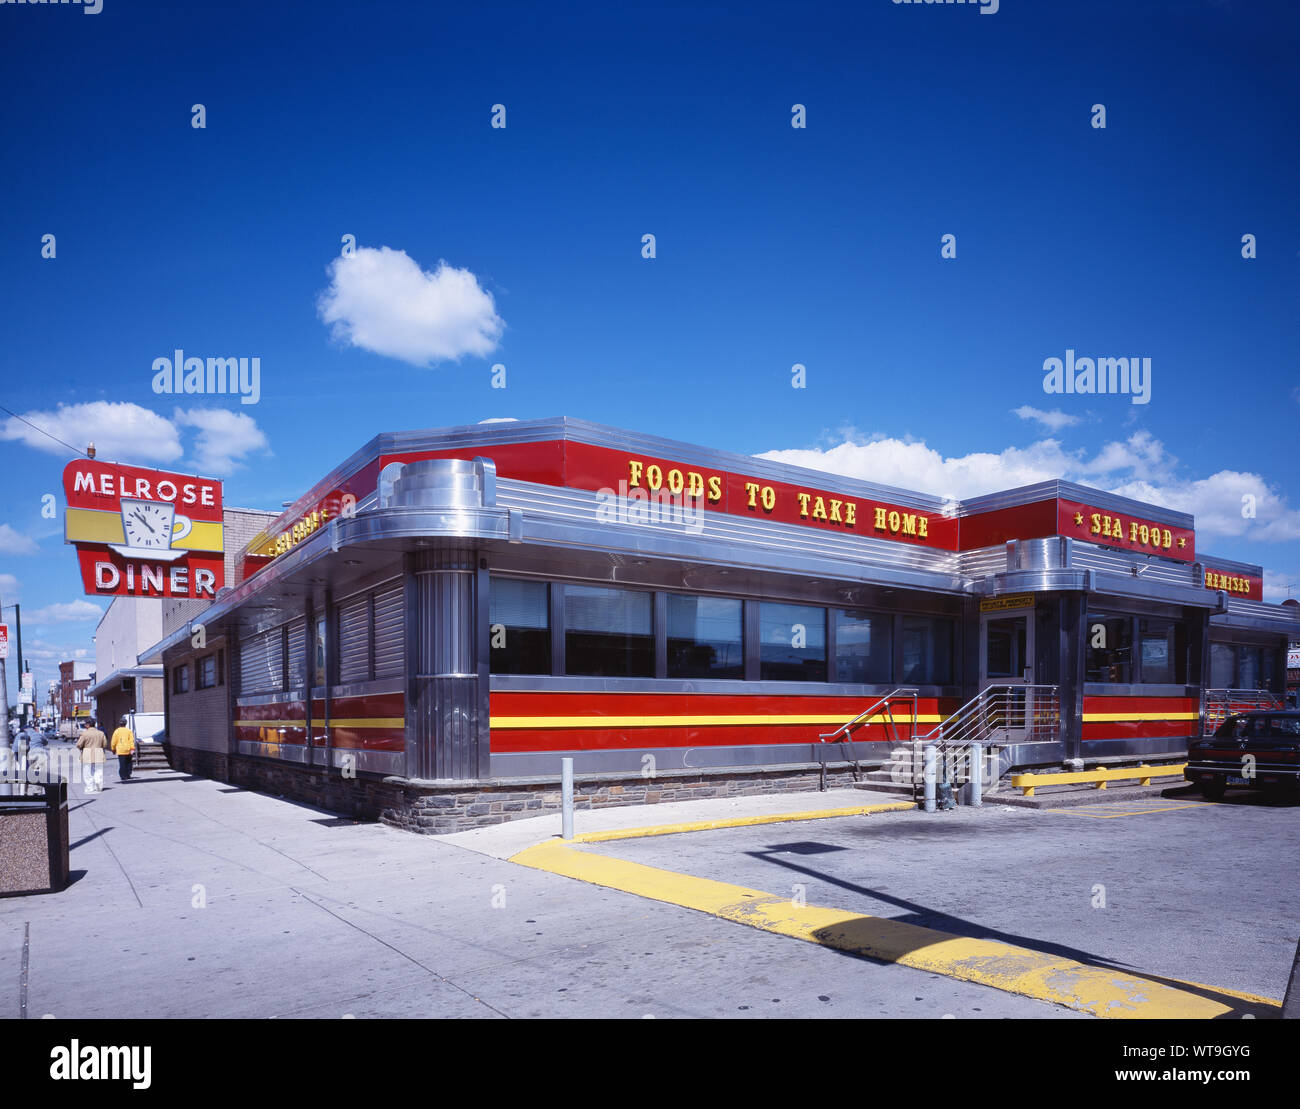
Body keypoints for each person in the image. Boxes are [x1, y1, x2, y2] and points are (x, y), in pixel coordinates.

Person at [75, 720, 109, 793]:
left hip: (87, 753)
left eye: (85, 724)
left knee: (87, 772)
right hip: (98, 753)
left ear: (88, 725)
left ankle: (90, 787)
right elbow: (105, 744)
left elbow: (78, 744)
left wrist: (82, 747)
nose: (84, 726)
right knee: (98, 770)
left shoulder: (84, 734)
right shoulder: (101, 733)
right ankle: (99, 786)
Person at [111, 715, 136, 781]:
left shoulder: (116, 731)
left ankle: (123, 776)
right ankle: (128, 774)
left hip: (120, 750)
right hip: (128, 749)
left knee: (122, 763)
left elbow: (113, 741)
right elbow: (131, 740)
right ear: (126, 723)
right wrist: (132, 748)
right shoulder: (129, 731)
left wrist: (113, 749)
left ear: (119, 723)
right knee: (128, 762)